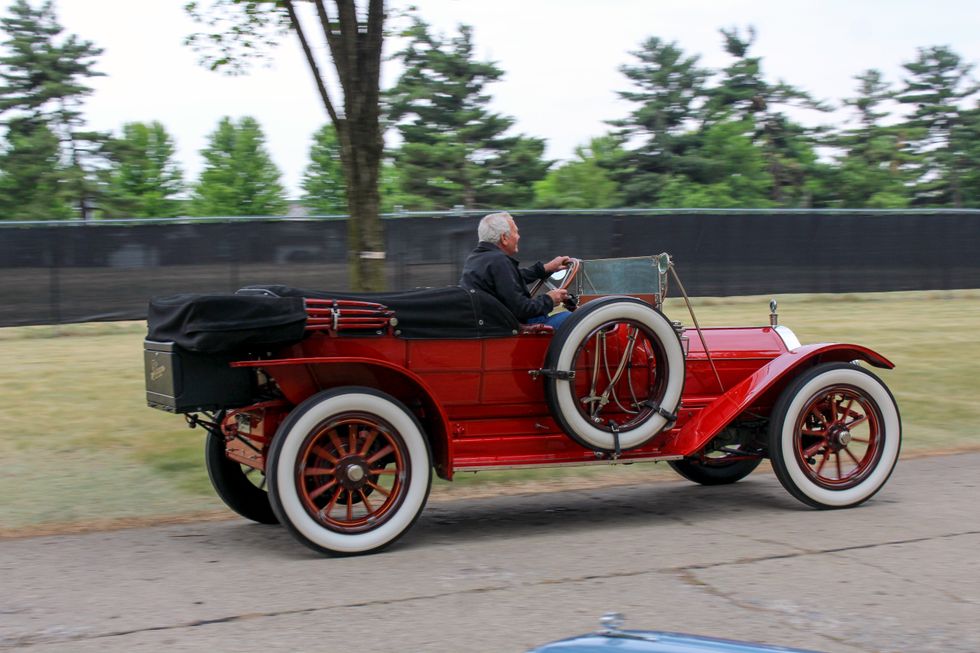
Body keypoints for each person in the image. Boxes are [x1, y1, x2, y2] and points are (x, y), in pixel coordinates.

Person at [460, 212, 572, 328]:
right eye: (516, 232)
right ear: (504, 238)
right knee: (572, 318)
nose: (518, 236)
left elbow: (510, 279)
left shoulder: (476, 258)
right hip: (511, 328)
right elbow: (522, 309)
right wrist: (549, 299)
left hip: (494, 322)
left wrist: (546, 268)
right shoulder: (499, 261)